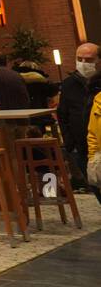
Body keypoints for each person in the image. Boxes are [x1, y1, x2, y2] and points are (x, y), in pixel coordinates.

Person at [57, 42, 99, 186]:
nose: (83, 63)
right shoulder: (69, 84)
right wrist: (70, 144)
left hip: (99, 145)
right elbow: (63, 115)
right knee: (93, 185)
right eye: (79, 59)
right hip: (80, 147)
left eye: (88, 60)